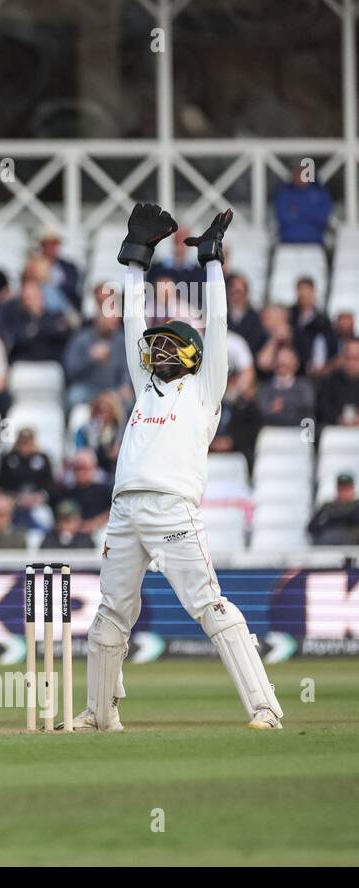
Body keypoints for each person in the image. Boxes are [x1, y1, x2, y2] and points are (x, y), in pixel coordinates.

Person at [77, 203, 283, 733]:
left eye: (171, 344)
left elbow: (217, 321)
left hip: (172, 508)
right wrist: (135, 262)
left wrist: (212, 262)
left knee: (210, 608)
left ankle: (264, 707)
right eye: (157, 344)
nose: (158, 349)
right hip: (124, 510)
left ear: (192, 355)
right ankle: (100, 716)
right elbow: (131, 321)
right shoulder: (144, 383)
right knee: (108, 619)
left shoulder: (205, 388)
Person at [274, 165, 332, 245]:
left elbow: (322, 218)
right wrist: (311, 213)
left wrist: (298, 211)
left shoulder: (320, 193)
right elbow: (282, 216)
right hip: (288, 242)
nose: (300, 177)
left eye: (303, 174)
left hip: (315, 242)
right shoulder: (285, 193)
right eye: (297, 174)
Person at [307, 473, 359, 545]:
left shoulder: (357, 506)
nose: (344, 493)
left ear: (352, 489)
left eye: (347, 489)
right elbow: (312, 528)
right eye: (341, 490)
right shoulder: (328, 507)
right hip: (329, 548)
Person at [317, 338, 359, 426]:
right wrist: (338, 419)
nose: (351, 363)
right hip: (334, 431)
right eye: (348, 358)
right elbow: (323, 407)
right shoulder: (329, 381)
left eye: (356, 358)